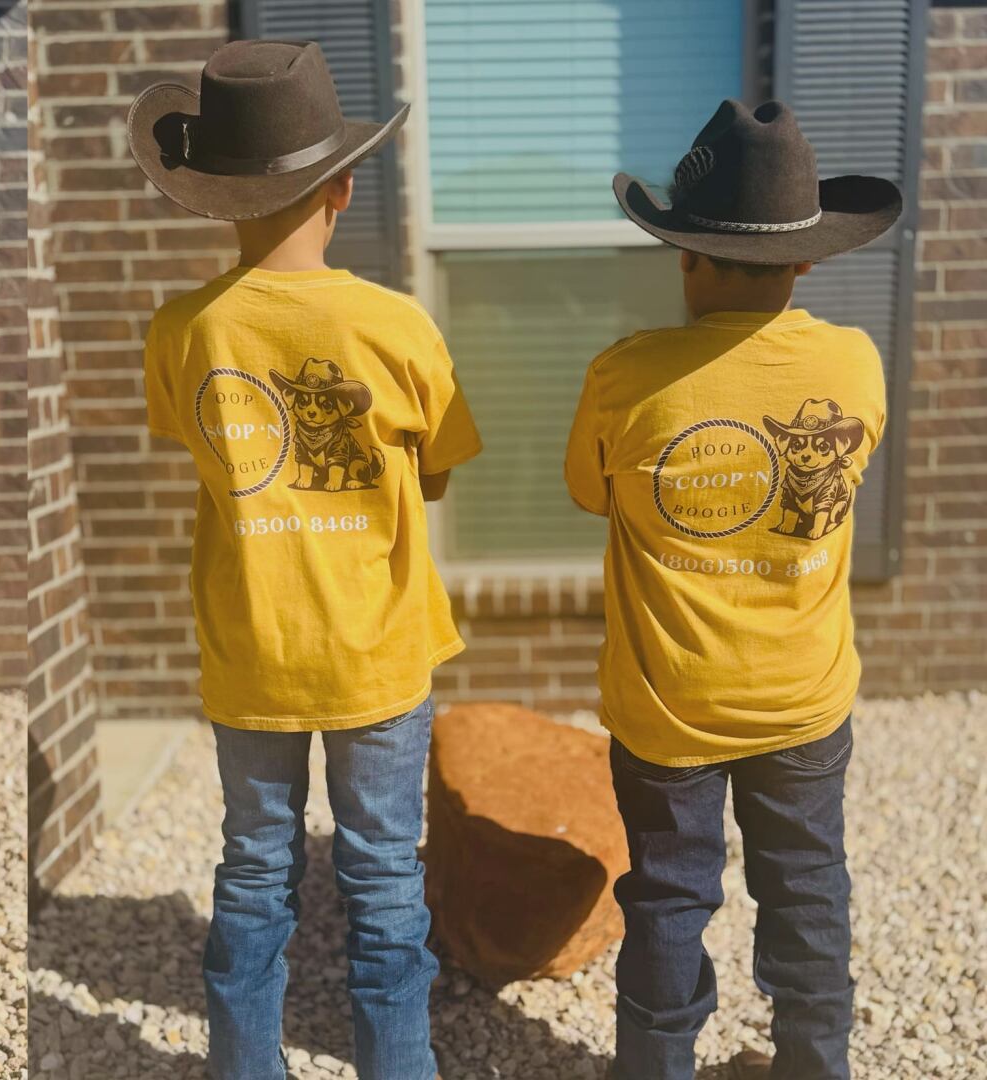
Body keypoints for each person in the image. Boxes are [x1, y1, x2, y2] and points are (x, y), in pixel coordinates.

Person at [129, 39, 481, 1080]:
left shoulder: (181, 330)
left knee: (254, 867)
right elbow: (438, 474)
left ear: (213, 198)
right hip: (376, 651)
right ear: (343, 186)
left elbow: (209, 456)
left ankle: (244, 1066)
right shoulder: (397, 326)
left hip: (252, 650)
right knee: (381, 880)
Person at [564, 99, 902, 1080]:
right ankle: (814, 1065)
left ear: (683, 254)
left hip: (670, 704)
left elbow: (593, 494)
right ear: (807, 260)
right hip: (803, 697)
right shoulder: (853, 365)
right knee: (807, 888)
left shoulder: (626, 377)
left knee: (669, 898)